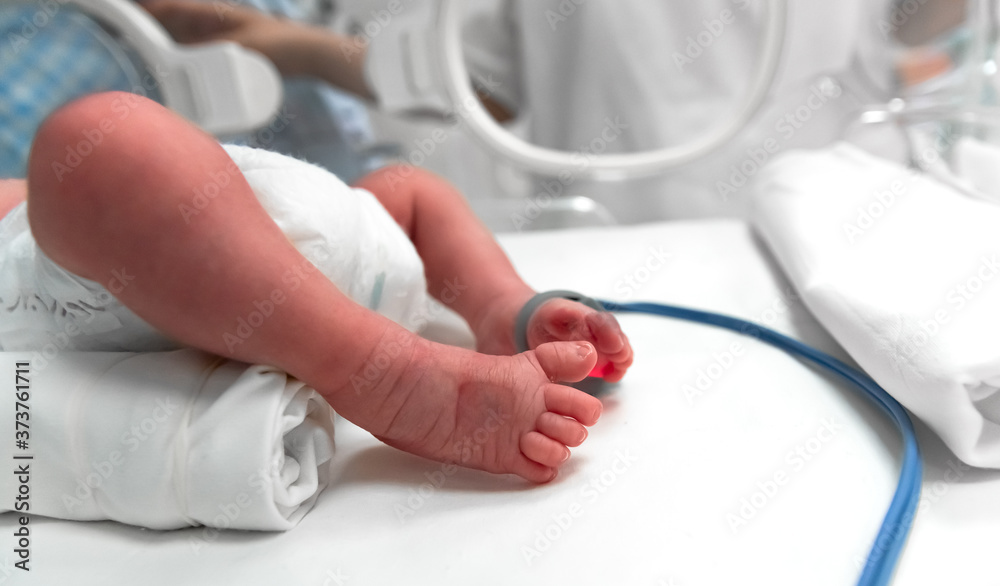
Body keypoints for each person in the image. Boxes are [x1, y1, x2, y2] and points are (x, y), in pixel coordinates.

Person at [0, 91, 633, 483]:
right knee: (102, 144)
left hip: (237, 240)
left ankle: (443, 338)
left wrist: (501, 300)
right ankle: (392, 363)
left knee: (100, 147)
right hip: (287, 260)